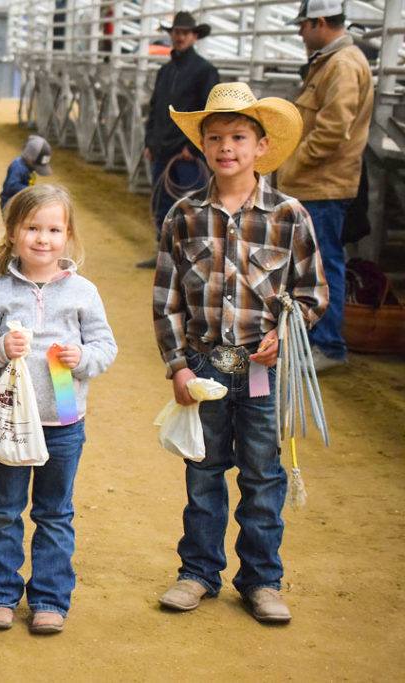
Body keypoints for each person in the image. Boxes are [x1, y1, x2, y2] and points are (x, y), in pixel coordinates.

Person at [153, 82, 328, 624]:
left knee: (262, 473)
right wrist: (179, 365)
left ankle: (261, 579)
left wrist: (286, 329)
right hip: (206, 367)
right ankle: (197, 572)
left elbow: (313, 292)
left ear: (260, 146)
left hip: (261, 369)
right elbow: (168, 299)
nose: (226, 147)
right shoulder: (182, 216)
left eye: (238, 137)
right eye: (215, 137)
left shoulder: (290, 215)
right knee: (203, 473)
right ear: (203, 146)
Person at [0, 184, 117, 634]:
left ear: (68, 235)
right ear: (13, 232)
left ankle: (50, 598)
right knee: (3, 508)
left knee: (54, 512)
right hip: (10, 423)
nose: (42, 238)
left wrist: (83, 359)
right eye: (32, 228)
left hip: (64, 421)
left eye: (54, 229)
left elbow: (105, 346)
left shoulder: (83, 292)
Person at [275, 0, 374, 372]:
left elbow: (333, 130)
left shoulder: (343, 64)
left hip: (323, 185)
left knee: (323, 265)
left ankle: (328, 345)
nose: (300, 32)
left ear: (319, 22)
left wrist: (292, 163)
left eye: (304, 25)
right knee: (312, 265)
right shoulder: (334, 62)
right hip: (318, 184)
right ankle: (312, 342)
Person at [139, 11, 219, 268]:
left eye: (185, 33)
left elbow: (209, 112)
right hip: (163, 149)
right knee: (163, 202)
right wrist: (150, 141)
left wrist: (194, 147)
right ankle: (165, 254)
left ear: (194, 36)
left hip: (185, 153)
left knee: (187, 205)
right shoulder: (166, 71)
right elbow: (155, 108)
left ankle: (187, 259)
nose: (180, 37)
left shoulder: (205, 71)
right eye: (176, 32)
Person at [0, 135, 52, 210]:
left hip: (21, 202)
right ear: (28, 157)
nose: (35, 168)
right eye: (35, 165)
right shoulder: (17, 166)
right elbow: (12, 185)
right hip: (10, 204)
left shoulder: (29, 167)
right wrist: (32, 190)